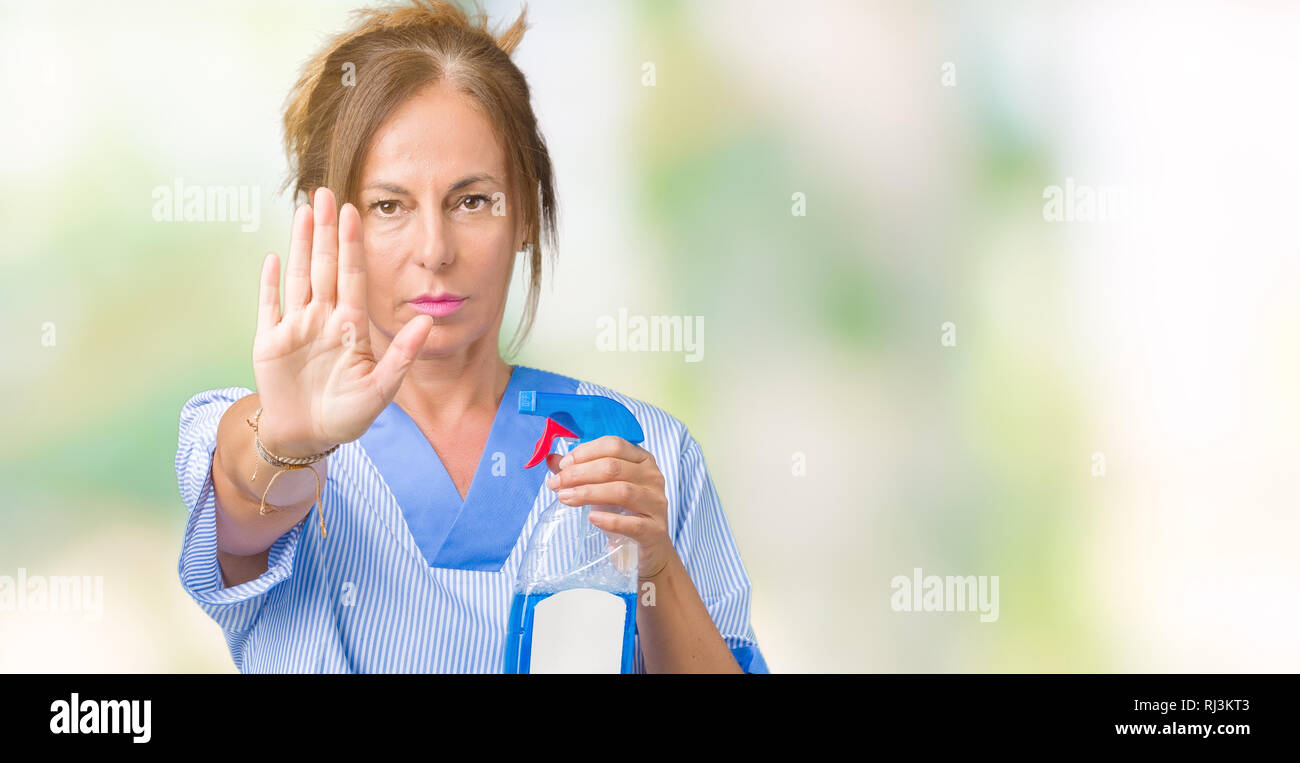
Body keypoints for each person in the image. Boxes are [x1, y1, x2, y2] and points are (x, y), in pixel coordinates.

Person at [174, 0, 767, 673]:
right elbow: (246, 499)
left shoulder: (647, 453)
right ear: (335, 224)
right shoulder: (267, 439)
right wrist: (289, 441)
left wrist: (654, 559)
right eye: (389, 205)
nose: (435, 248)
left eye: (472, 200)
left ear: (524, 213)